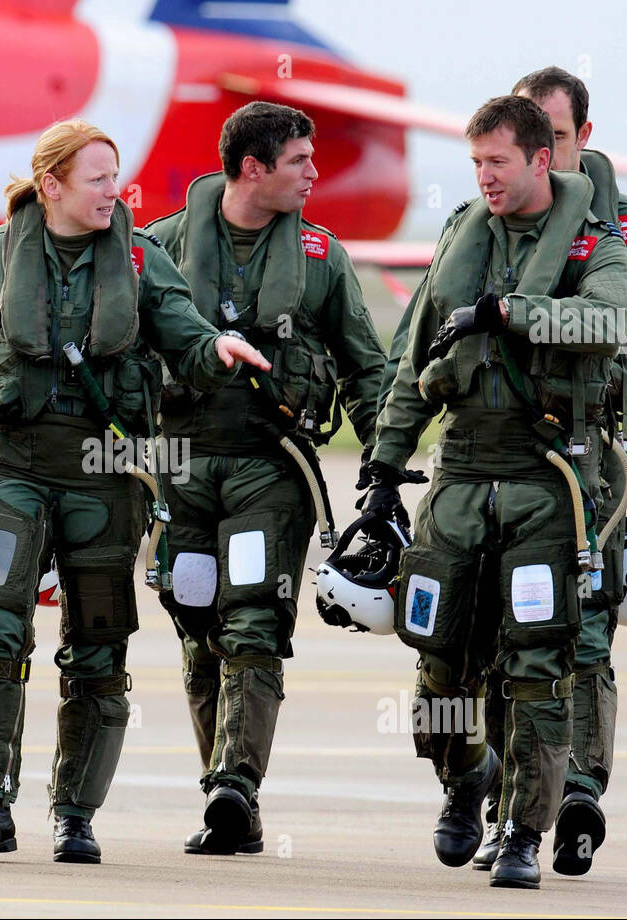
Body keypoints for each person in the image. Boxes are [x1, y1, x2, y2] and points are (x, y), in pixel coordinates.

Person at [0, 119, 270, 864]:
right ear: (53, 184)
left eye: (116, 177)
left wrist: (217, 350)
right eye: (97, 177)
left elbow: (185, 332)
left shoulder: (138, 257)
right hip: (13, 467)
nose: (114, 190)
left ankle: (75, 815)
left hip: (105, 473)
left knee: (98, 647)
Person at [368, 95, 627, 888]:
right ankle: (464, 774)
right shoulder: (460, 240)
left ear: (539, 160)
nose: (483, 176)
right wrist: (383, 469)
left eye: (498, 162)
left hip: (545, 478)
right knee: (438, 662)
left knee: (536, 667)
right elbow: (415, 359)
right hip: (458, 477)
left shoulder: (596, 246)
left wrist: (510, 312)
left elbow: (610, 325)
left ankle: (522, 831)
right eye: (476, 161)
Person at [464, 67, 627, 876]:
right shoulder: (483, 224)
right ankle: (507, 794)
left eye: (557, 137)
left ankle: (579, 792)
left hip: (589, 466)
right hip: (494, 463)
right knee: (503, 638)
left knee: (585, 633)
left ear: (578, 139)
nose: (548, 155)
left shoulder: (626, 229)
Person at [144, 101, 385, 854]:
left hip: (270, 466)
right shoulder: (157, 248)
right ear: (254, 168)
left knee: (252, 619)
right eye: (300, 161)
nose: (315, 172)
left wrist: (384, 471)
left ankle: (234, 786)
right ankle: (227, 792)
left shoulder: (320, 259)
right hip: (178, 466)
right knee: (197, 622)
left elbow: (366, 368)